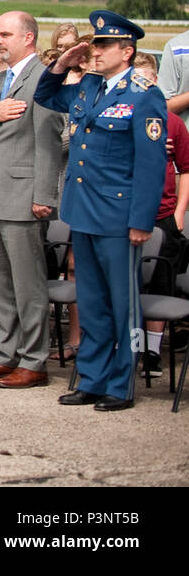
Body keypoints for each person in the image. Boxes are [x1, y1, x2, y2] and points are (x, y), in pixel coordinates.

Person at [37, 10, 167, 411]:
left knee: (121, 304)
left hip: (118, 216)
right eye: (94, 44)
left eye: (103, 45)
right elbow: (45, 95)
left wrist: (141, 221)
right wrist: (62, 63)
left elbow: (150, 164)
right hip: (84, 211)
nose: (95, 51)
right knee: (91, 302)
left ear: (126, 51)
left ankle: (120, 384)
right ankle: (91, 379)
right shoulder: (89, 87)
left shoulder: (144, 94)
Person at [0, 11, 64, 388]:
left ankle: (34, 361)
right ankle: (5, 354)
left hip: (23, 196)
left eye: (5, 35)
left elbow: (50, 141)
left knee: (28, 285)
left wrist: (44, 196)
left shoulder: (44, 79)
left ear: (29, 38)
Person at [131, 53, 188, 380]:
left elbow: (186, 168)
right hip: (127, 216)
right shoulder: (122, 118)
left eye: (147, 81)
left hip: (163, 215)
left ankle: (153, 350)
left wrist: (180, 212)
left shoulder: (172, 122)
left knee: (160, 285)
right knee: (131, 285)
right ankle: (132, 346)